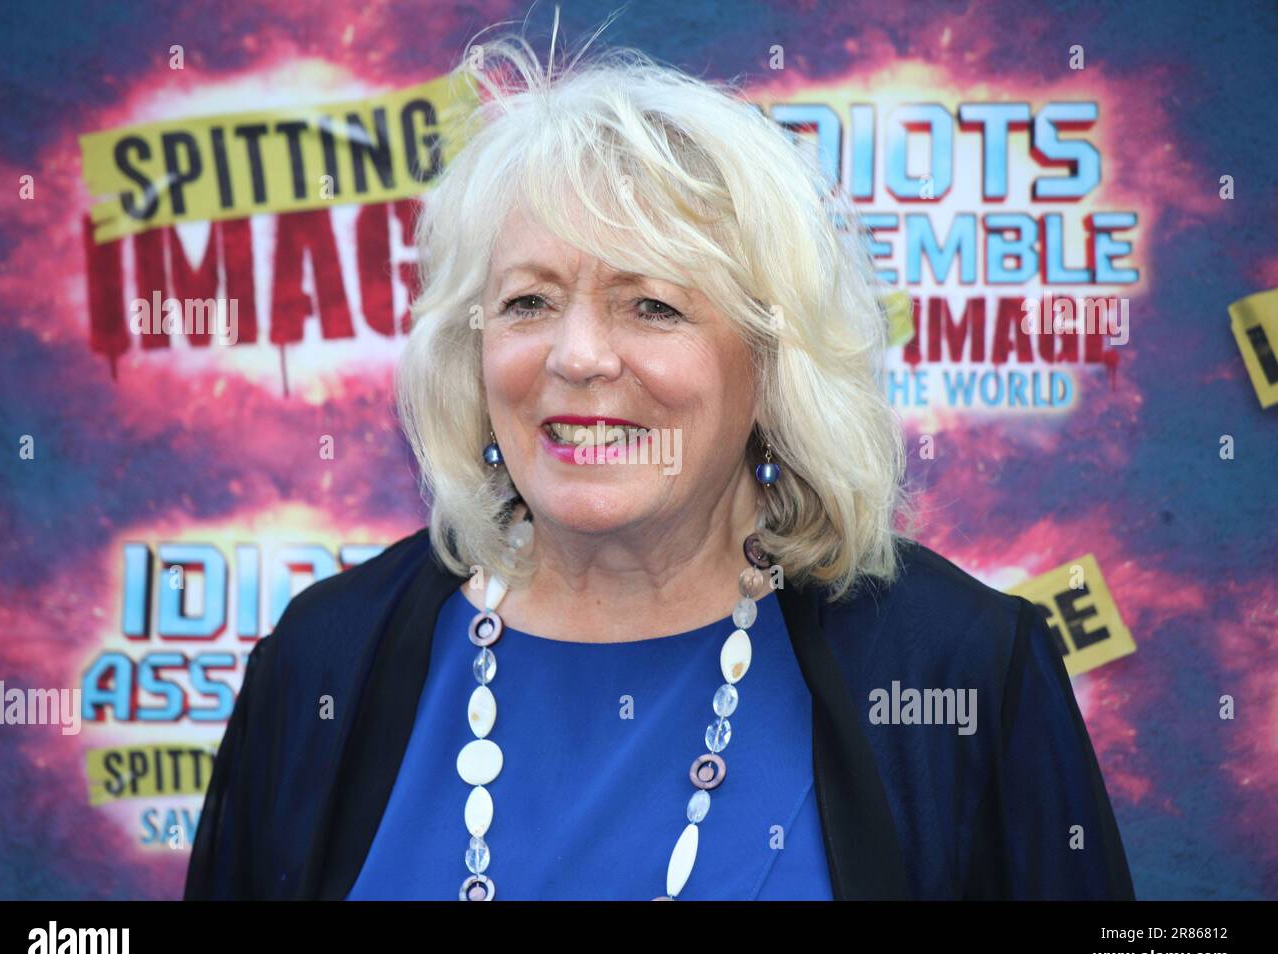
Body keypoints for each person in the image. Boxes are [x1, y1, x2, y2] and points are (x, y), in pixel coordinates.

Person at [184, 23, 1134, 901]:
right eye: (528, 303)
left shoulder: (958, 668)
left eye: (653, 305)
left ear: (770, 366)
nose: (579, 356)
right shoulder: (322, 661)